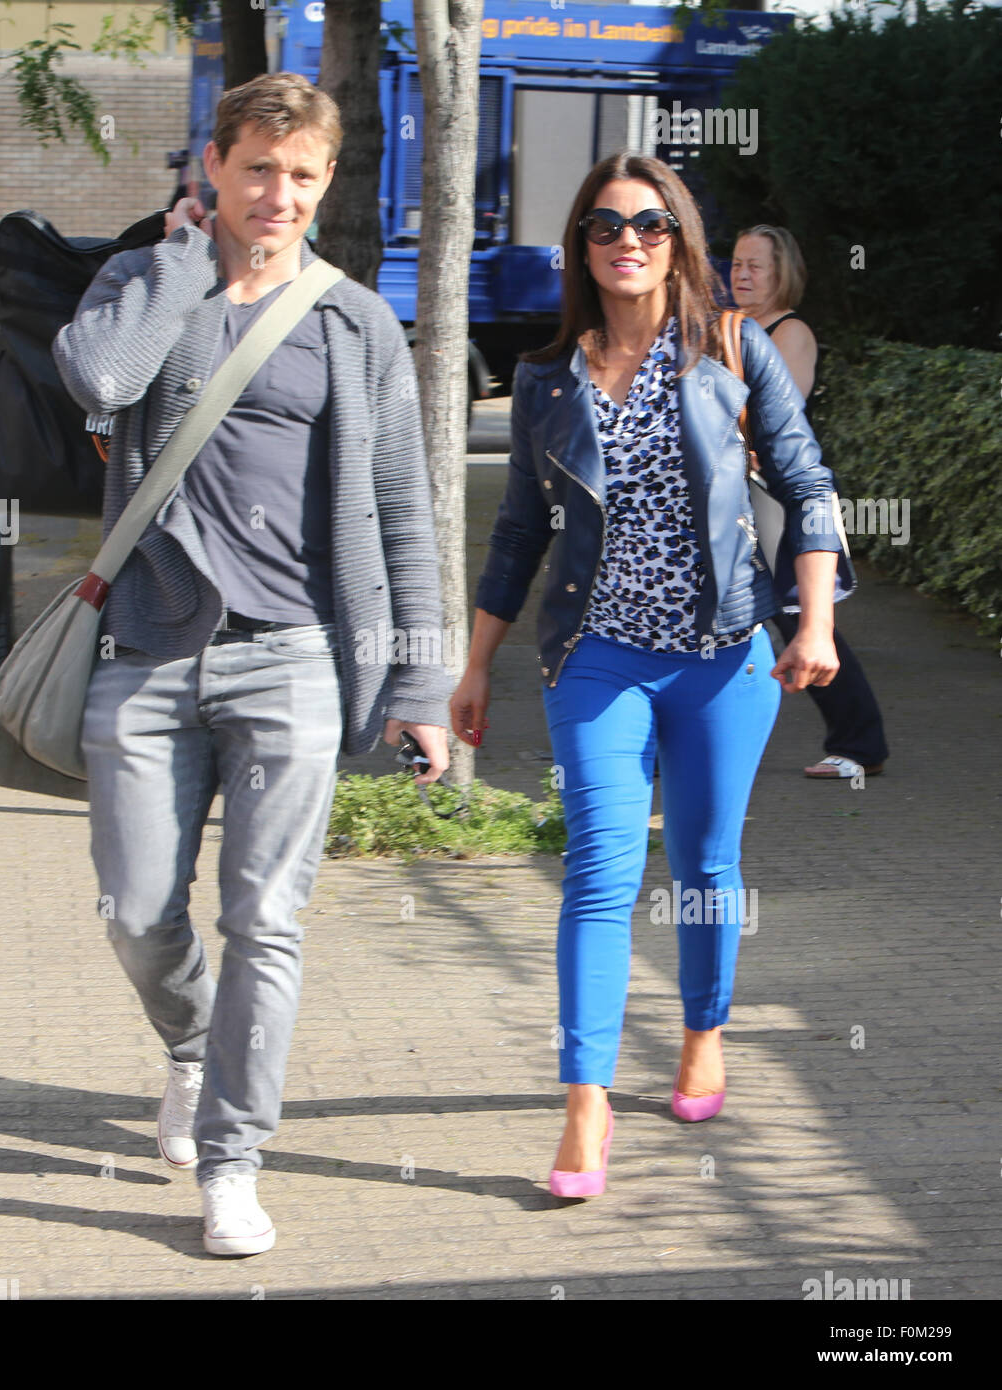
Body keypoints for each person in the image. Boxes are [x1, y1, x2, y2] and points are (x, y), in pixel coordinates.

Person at [52, 72, 451, 1255]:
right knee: (134, 911)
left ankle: (233, 1161)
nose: (278, 194)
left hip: (292, 658)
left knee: (266, 921)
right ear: (214, 166)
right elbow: (100, 380)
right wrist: (181, 261)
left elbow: (399, 511)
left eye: (302, 175)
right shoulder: (142, 281)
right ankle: (189, 1047)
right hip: (149, 646)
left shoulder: (352, 321)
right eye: (258, 168)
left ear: (325, 185)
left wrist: (421, 683)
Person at [450, 152, 854, 1196]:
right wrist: (475, 664)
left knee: (707, 867)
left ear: (677, 238)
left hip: (725, 658)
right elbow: (515, 533)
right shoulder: (545, 378)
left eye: (646, 223)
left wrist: (813, 623)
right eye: (601, 225)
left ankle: (702, 1030)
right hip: (595, 657)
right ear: (579, 247)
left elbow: (807, 484)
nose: (625, 240)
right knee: (597, 870)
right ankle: (583, 1102)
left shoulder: (728, 349)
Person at [731, 224, 888, 778]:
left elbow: (781, 415)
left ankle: (861, 745)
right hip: (735, 498)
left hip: (778, 501)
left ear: (783, 274)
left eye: (756, 265)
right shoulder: (729, 328)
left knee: (803, 620)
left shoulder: (788, 332)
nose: (741, 274)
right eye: (736, 263)